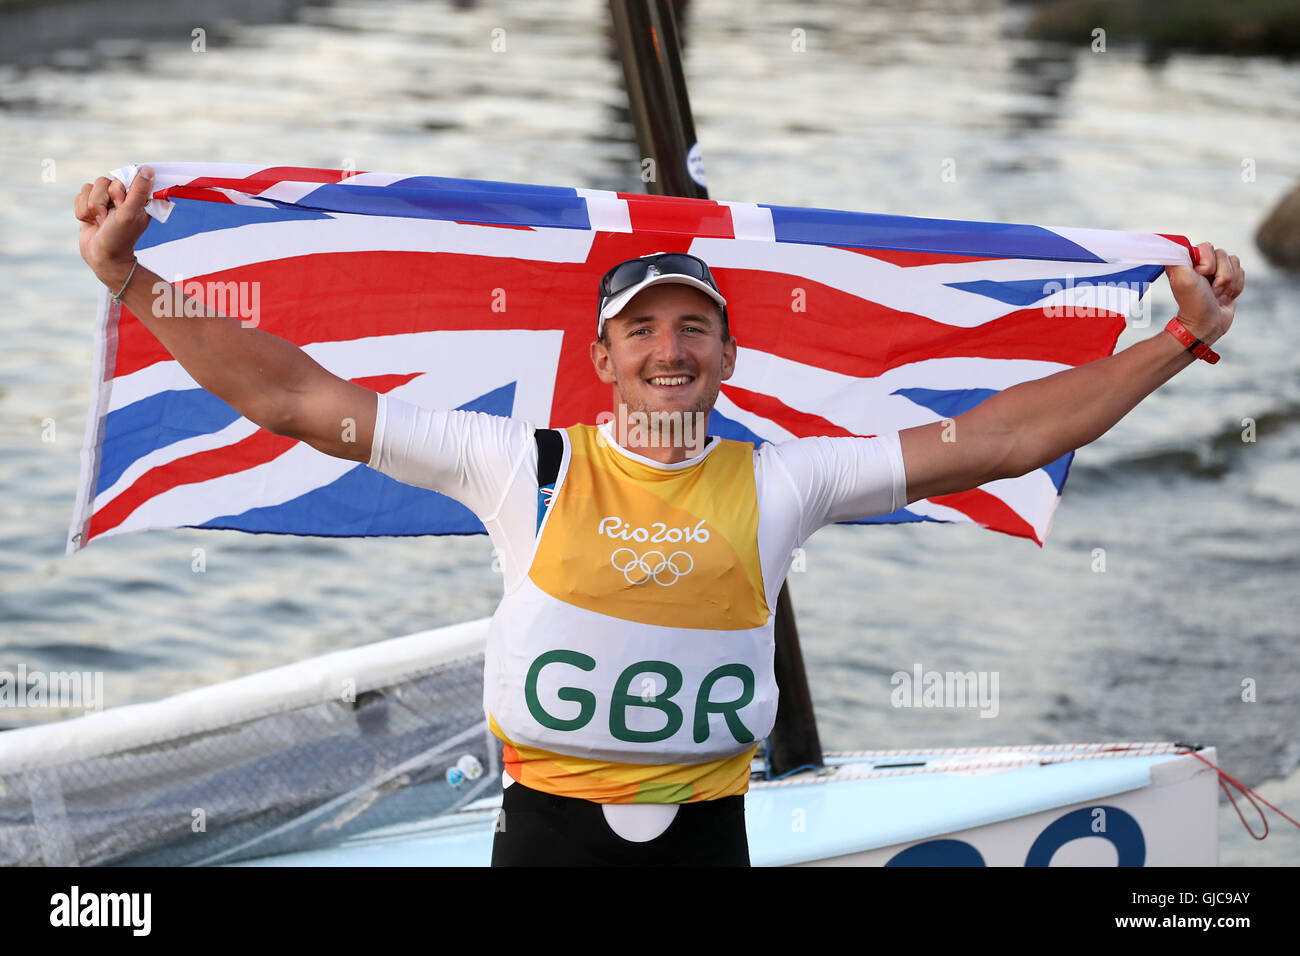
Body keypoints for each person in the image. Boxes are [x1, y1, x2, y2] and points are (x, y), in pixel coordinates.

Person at [75, 167, 1246, 867]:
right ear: (602, 359)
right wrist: (133, 278)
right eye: (642, 330)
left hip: (704, 837)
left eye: (692, 329)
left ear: (727, 354)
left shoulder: (788, 480)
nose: (668, 349)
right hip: (547, 831)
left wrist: (1178, 341)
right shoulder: (512, 462)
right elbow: (292, 396)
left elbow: (1006, 438)